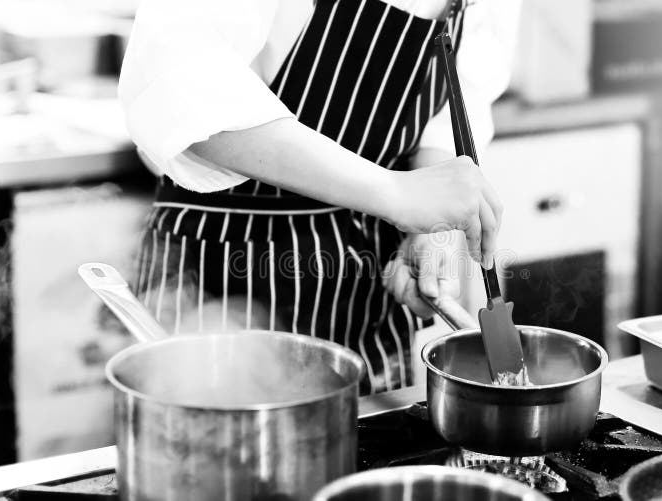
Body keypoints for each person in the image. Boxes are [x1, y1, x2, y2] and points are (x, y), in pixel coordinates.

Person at [119, 0, 518, 394]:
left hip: (368, 287)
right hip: (224, 268)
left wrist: (431, 224)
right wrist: (394, 193)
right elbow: (178, 86)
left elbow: (459, 95)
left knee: (372, 445)